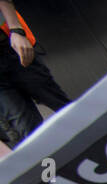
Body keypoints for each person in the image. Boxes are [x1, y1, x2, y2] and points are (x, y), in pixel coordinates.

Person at [0, 2, 72, 146]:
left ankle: (102, 141)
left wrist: (17, 30)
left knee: (60, 104)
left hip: (11, 48)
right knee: (27, 131)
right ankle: (53, 167)